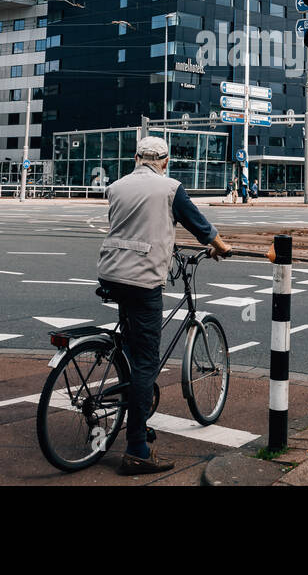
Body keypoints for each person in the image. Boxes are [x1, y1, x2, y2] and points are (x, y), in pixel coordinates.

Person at [97, 136, 231, 475]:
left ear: (136, 158)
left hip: (111, 274)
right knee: (146, 362)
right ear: (166, 162)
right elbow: (199, 226)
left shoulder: (117, 186)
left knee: (131, 348)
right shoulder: (170, 188)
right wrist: (220, 246)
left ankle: (136, 414)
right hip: (143, 281)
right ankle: (137, 449)